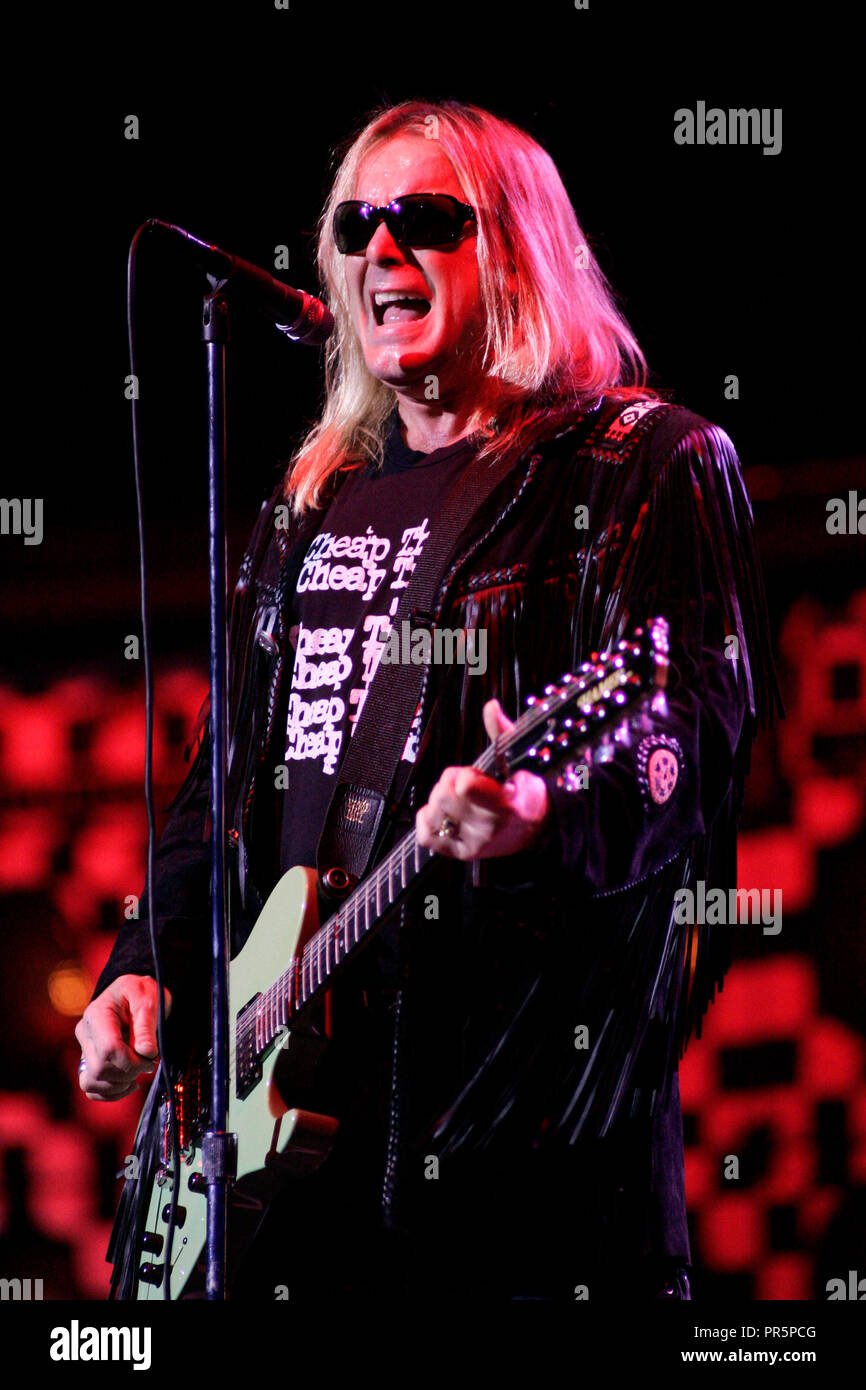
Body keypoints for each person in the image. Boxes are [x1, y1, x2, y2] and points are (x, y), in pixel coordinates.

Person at [76, 99, 780, 1302]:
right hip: (290, 1202)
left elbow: (685, 744)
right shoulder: (305, 511)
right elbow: (223, 795)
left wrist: (540, 820)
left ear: (515, 248)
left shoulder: (639, 464)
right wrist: (140, 965)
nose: (379, 251)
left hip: (510, 1185)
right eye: (355, 225)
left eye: (426, 220)